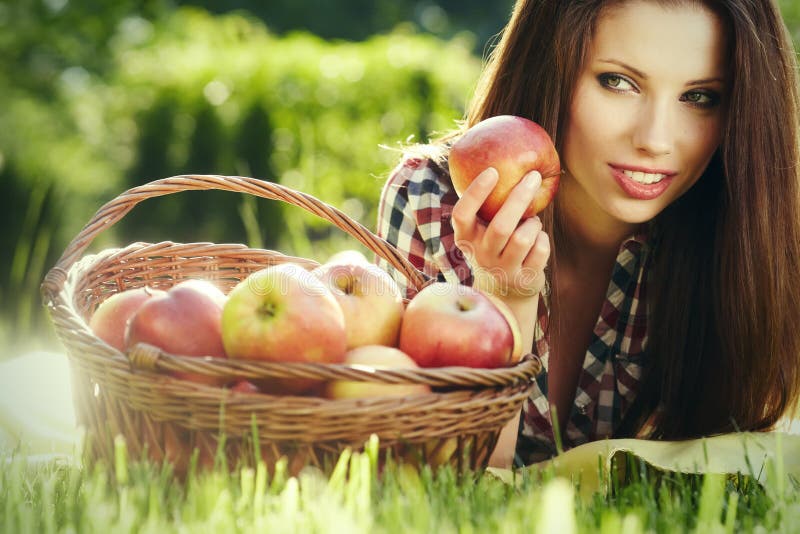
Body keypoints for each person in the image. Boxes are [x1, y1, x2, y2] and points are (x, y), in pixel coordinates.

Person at [376, 0, 800, 468]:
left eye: (699, 96)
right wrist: (506, 298)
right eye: (618, 82)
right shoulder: (434, 201)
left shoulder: (744, 239)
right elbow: (453, 484)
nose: (656, 140)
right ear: (549, 68)